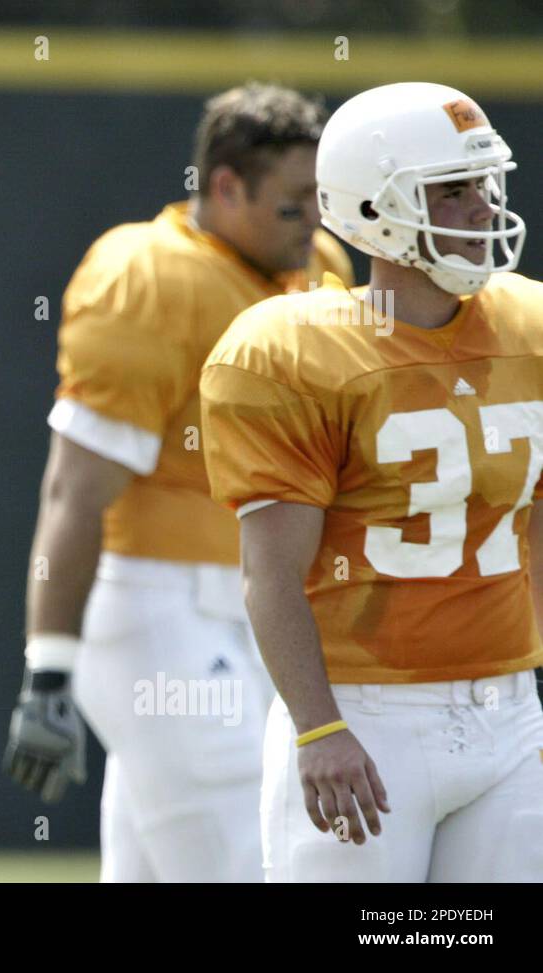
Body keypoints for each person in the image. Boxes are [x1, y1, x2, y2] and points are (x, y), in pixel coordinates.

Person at [4, 83, 353, 882]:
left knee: (155, 866)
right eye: (295, 203)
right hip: (156, 609)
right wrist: (49, 667)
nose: (315, 224)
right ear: (226, 187)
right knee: (259, 854)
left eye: (320, 200)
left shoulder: (318, 267)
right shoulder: (149, 275)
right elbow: (73, 490)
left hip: (265, 610)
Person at [200, 82, 543, 882]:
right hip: (367, 712)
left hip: (508, 710)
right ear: (373, 207)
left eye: (485, 184)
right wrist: (319, 729)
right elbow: (271, 572)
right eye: (450, 190)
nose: (482, 208)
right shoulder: (294, 352)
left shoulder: (530, 327)